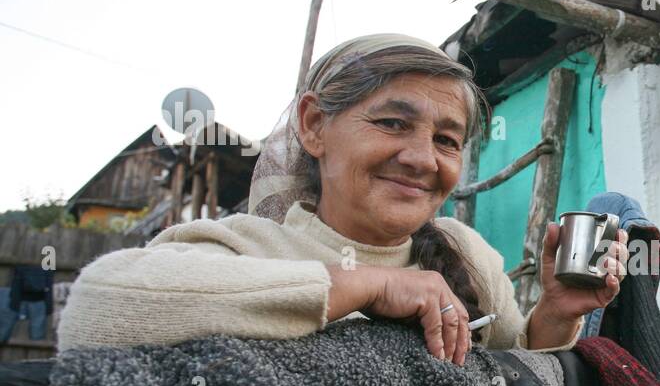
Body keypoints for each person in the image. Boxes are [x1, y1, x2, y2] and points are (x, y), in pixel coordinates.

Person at [56, 33, 627, 364]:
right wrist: (367, 285)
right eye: (393, 123)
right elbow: (96, 308)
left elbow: (523, 380)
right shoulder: (249, 247)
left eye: (447, 140)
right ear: (313, 126)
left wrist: (553, 315)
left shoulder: (463, 254)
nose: (424, 159)